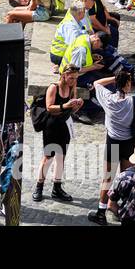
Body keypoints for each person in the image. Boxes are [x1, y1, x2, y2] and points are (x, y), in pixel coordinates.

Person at [34, 66, 82, 202]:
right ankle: (39, 186)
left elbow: (71, 110)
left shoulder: (73, 87)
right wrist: (65, 105)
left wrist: (77, 105)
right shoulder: (54, 87)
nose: (73, 80)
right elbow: (49, 107)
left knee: (61, 157)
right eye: (71, 78)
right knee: (48, 157)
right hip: (51, 125)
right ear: (64, 76)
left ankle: (57, 187)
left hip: (65, 124)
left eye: (76, 78)